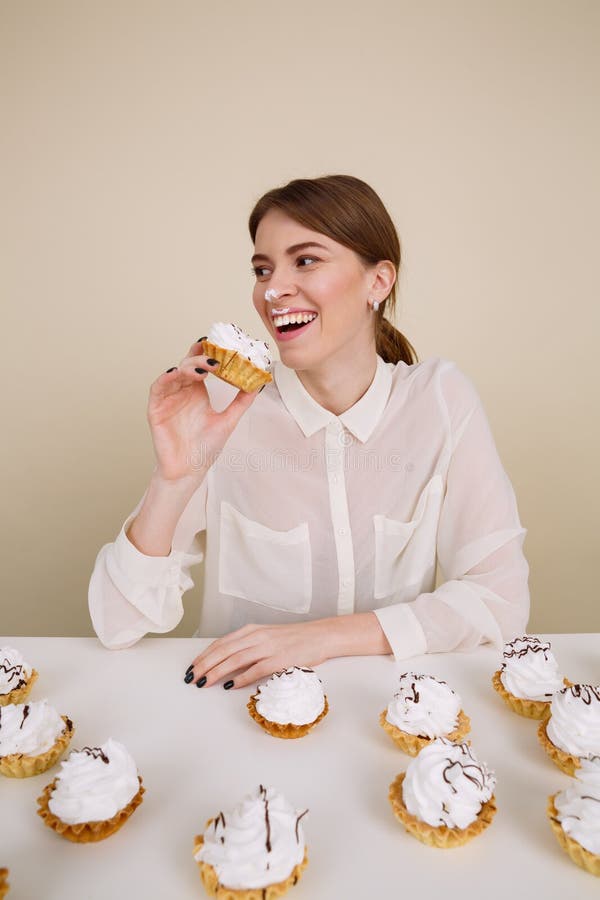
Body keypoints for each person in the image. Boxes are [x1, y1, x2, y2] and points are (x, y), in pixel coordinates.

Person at [89, 174, 529, 689]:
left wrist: (322, 638)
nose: (273, 289)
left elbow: (500, 598)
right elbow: (117, 626)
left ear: (378, 281)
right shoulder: (224, 412)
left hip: (389, 713)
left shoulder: (439, 400)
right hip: (238, 716)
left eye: (306, 260)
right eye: (262, 269)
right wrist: (174, 479)